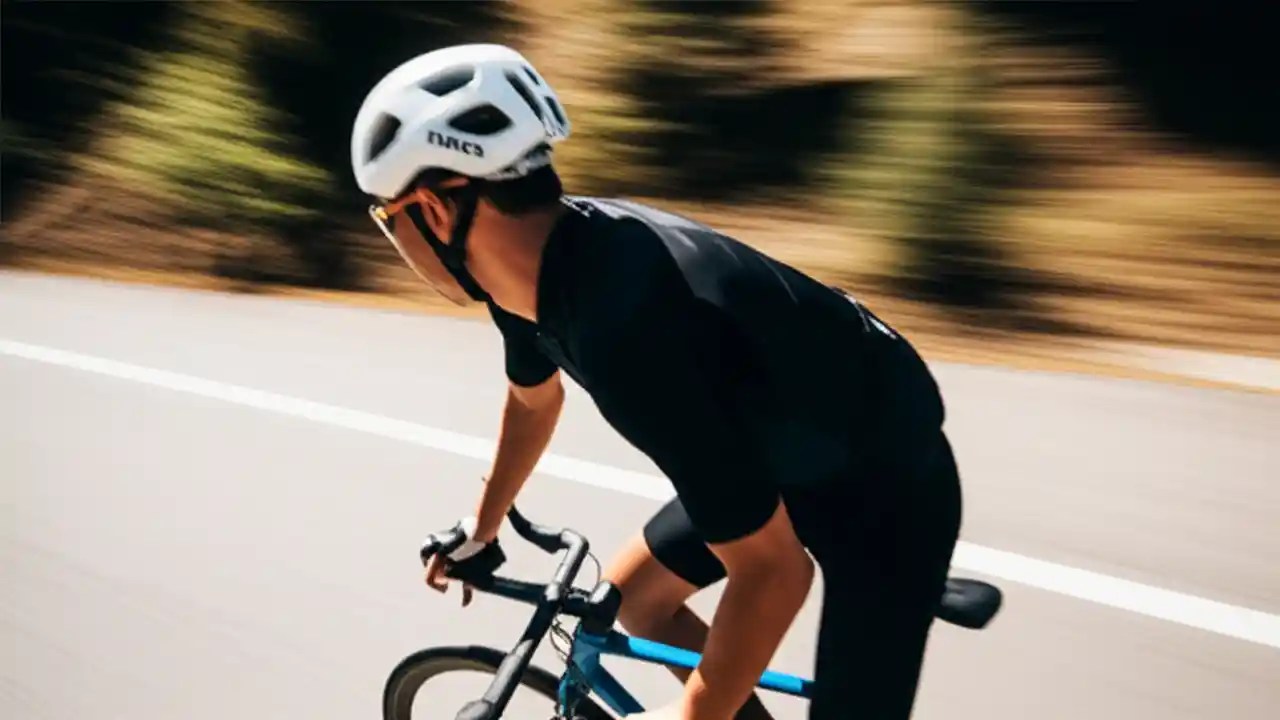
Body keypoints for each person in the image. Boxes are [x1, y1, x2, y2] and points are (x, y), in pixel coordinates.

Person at [351, 44, 963, 720]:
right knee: (638, 600)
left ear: (435, 209)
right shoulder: (536, 268)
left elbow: (774, 573)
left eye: (387, 216)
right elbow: (532, 400)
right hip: (784, 441)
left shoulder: (628, 335)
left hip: (886, 485)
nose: (392, 235)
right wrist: (483, 526)